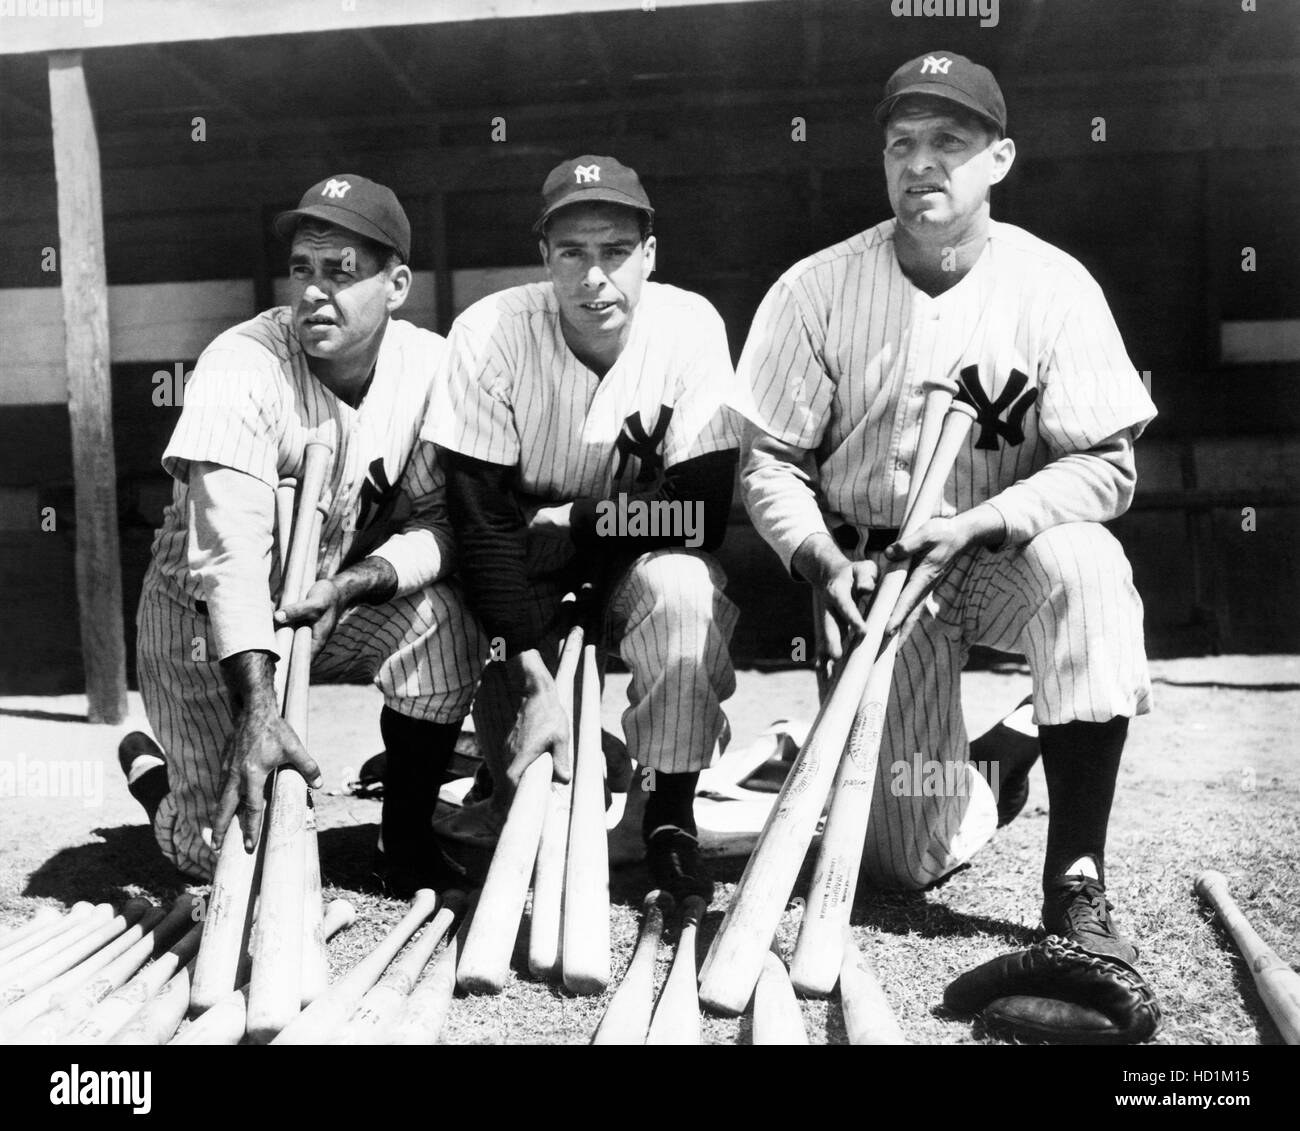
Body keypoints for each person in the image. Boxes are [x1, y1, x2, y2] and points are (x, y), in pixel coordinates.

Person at [733, 52, 1156, 962]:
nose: (921, 162)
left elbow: (1108, 468)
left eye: (949, 142)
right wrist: (818, 557)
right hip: (872, 575)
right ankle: (1002, 761)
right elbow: (769, 464)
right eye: (903, 143)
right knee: (900, 864)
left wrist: (982, 521)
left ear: (999, 158)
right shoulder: (813, 289)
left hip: (1002, 549)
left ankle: (1076, 875)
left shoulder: (1054, 285)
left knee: (1088, 565)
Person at [121, 174, 487, 897]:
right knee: (221, 853)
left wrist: (356, 583)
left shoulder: (431, 366)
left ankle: (406, 836)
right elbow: (227, 566)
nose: (315, 292)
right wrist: (259, 711)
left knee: (444, 623)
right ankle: (153, 779)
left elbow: (442, 527)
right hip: (201, 626)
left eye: (341, 272)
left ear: (397, 283)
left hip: (325, 604)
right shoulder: (242, 365)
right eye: (303, 270)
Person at [428, 155, 741, 900]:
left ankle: (665, 817)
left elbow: (701, 516)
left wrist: (580, 517)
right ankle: (500, 783)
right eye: (572, 252)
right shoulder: (490, 331)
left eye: (615, 252)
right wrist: (530, 675)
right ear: (545, 257)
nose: (593, 276)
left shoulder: (690, 324)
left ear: (650, 255)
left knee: (683, 589)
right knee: (527, 817)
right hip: (522, 557)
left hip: (633, 547)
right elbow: (482, 525)